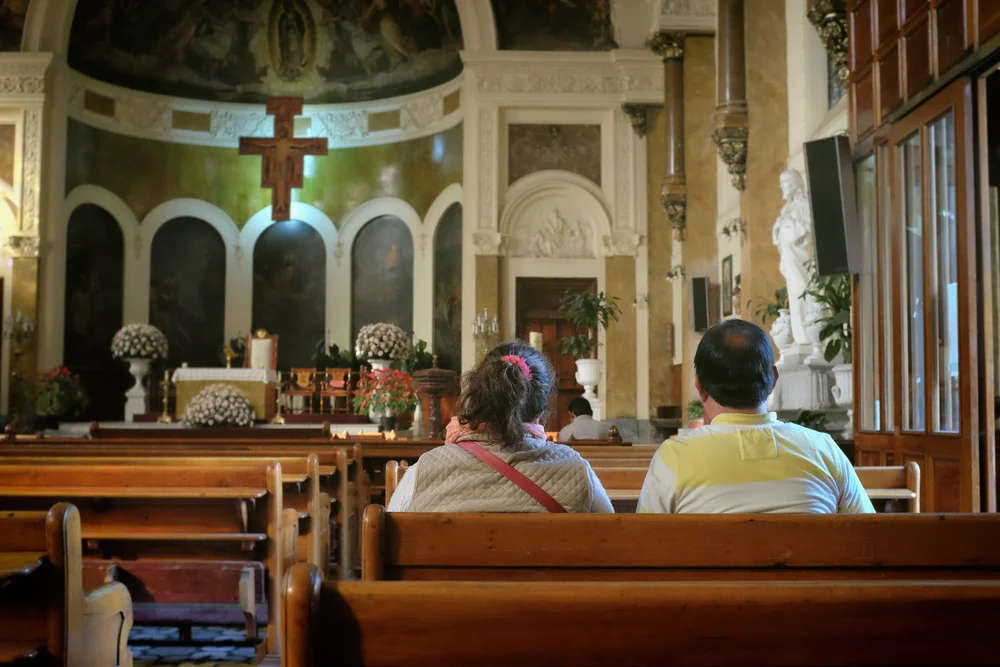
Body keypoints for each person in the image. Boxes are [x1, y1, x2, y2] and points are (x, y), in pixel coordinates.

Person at [637, 320, 874, 514]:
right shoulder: (824, 450)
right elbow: (869, 536)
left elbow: (645, 548)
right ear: (773, 379)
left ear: (699, 387)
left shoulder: (673, 457)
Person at [388, 340, 614, 513]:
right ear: (541, 410)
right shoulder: (575, 471)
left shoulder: (424, 471)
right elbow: (612, 540)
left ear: (478, 397)